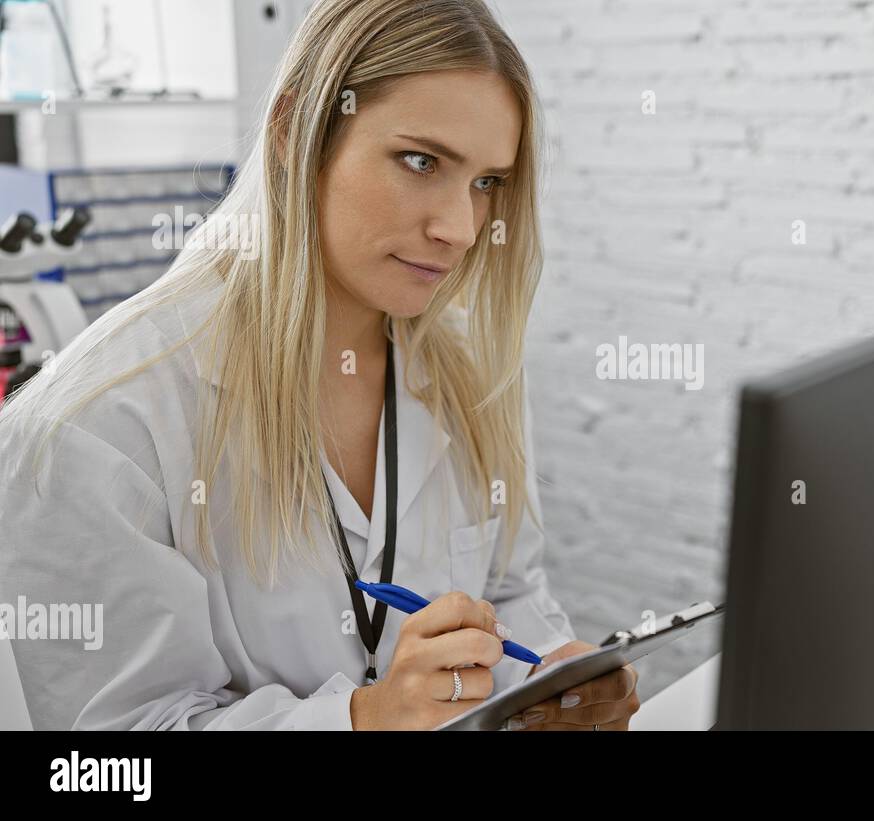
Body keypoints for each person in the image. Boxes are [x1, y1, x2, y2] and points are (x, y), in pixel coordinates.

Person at [0, 0, 639, 731]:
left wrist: (548, 672)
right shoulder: (95, 430)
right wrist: (362, 720)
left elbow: (510, 591)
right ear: (290, 129)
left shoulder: (473, 373)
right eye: (420, 161)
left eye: (486, 181)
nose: (460, 228)